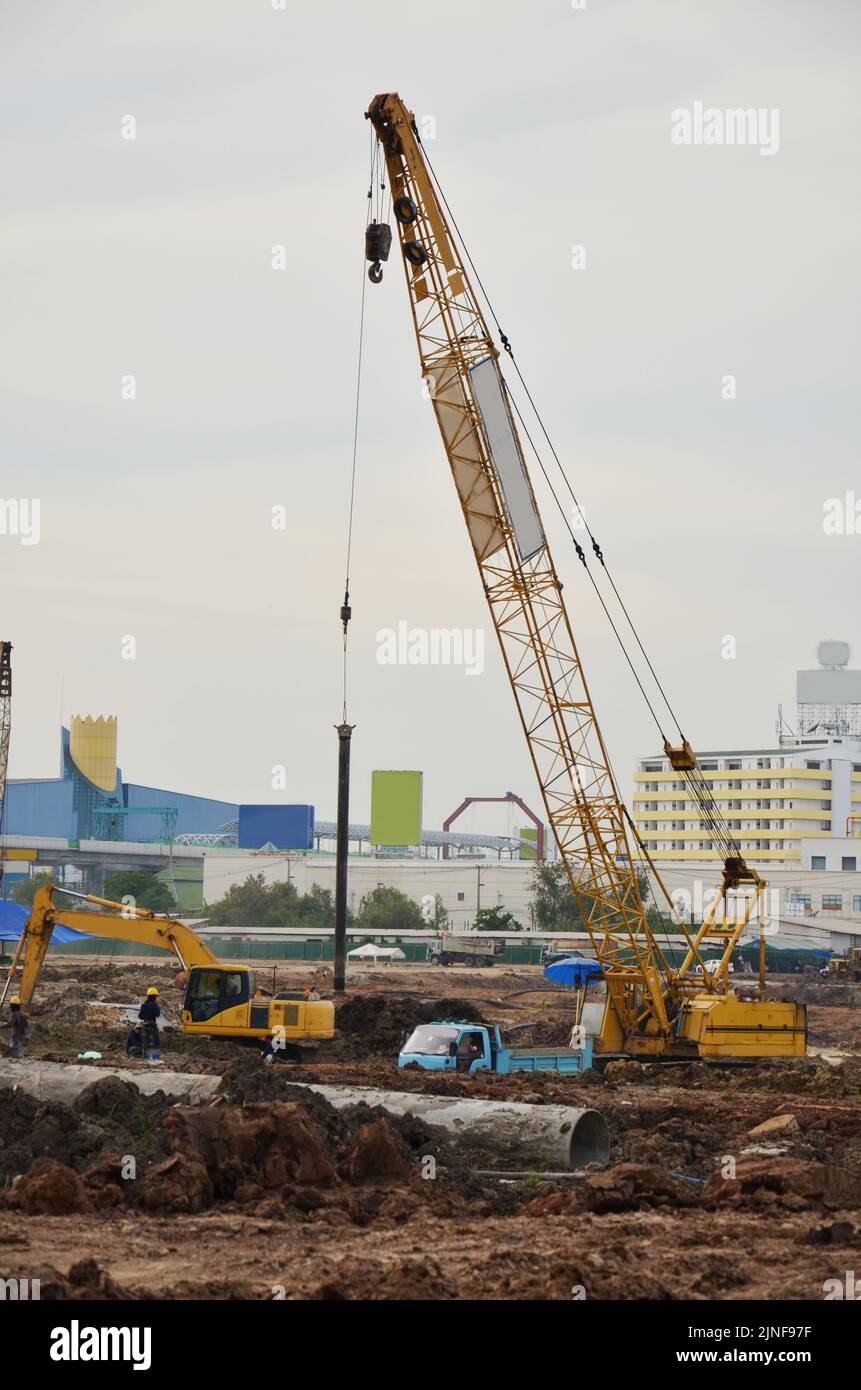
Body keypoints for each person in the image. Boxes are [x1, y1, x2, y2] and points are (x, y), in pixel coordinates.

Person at [138, 986, 161, 1060]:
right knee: (154, 1042)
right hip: (152, 1025)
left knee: (145, 1042)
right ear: (154, 996)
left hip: (145, 1025)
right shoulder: (155, 1005)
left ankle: (144, 1057)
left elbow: (140, 1016)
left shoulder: (144, 1005)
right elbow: (157, 1014)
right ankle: (153, 1058)